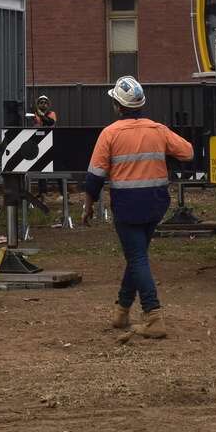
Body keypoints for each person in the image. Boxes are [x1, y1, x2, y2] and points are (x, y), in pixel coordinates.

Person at [82, 75, 193, 339]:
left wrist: (88, 206)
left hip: (127, 206)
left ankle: (153, 316)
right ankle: (121, 310)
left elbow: (95, 176)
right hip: (155, 204)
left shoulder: (110, 134)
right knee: (137, 255)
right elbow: (187, 152)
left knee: (137, 258)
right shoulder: (158, 130)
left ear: (118, 107)